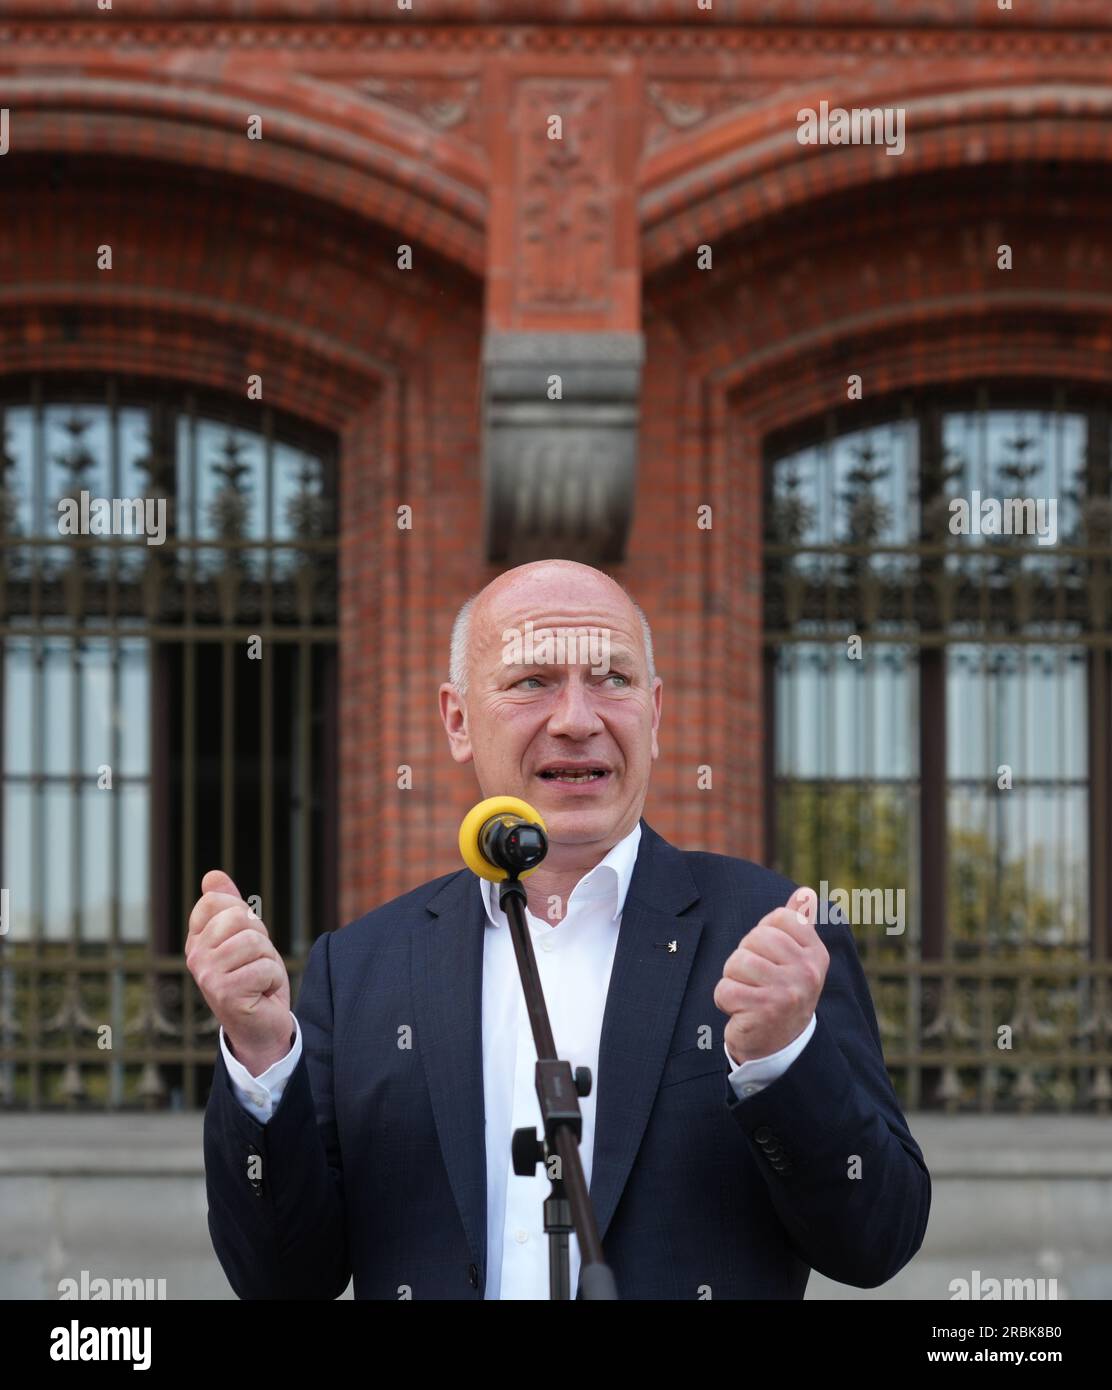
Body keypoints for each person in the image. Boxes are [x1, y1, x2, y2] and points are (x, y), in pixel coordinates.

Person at [188, 559, 930, 1299]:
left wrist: (782, 1061)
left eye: (613, 679)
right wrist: (259, 1054)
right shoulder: (361, 969)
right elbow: (281, 1279)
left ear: (655, 712)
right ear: (457, 720)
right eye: (532, 681)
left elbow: (876, 1241)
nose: (578, 719)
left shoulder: (772, 931)